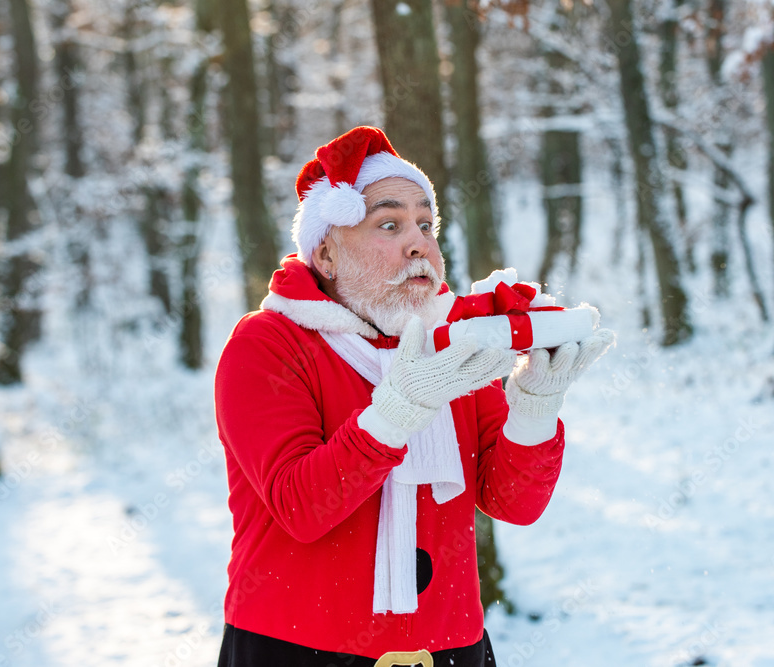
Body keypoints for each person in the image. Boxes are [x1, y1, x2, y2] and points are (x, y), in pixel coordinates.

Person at [214, 126, 614, 667]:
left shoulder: (448, 342)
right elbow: (301, 507)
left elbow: (512, 503)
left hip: (450, 645)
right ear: (326, 253)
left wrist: (535, 407)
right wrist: (398, 409)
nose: (419, 243)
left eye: (426, 224)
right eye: (389, 223)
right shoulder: (268, 344)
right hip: (298, 647)